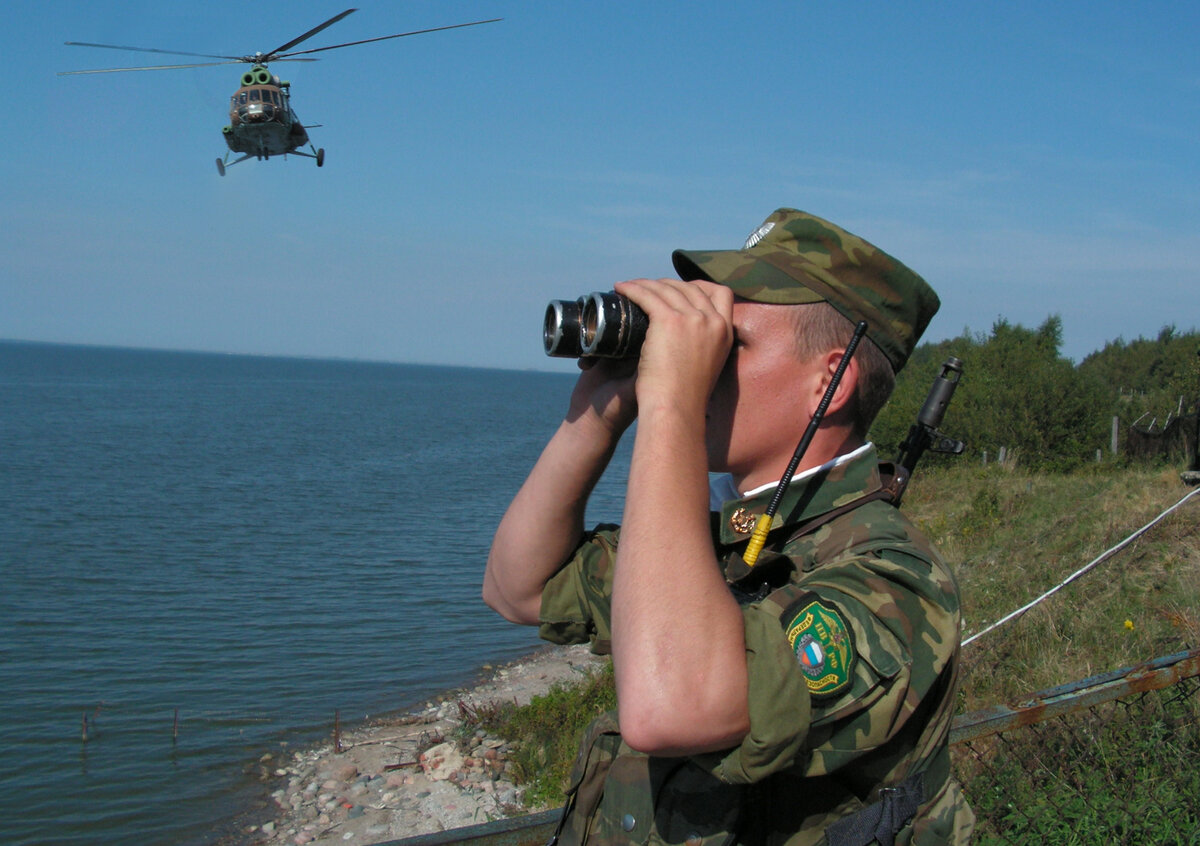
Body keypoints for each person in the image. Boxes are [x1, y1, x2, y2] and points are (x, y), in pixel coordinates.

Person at [483, 208, 974, 845]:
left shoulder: (896, 581)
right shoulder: (721, 537)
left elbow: (670, 708)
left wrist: (673, 403)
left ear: (831, 382)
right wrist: (596, 415)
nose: (700, 362)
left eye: (729, 344)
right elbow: (518, 587)